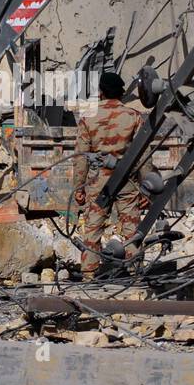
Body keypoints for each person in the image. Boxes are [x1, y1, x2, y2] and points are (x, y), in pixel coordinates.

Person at [72, 71, 146, 280]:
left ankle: (88, 274)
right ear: (121, 93)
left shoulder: (88, 117)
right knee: (131, 228)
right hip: (127, 180)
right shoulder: (133, 116)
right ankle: (135, 273)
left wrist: (78, 187)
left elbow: (81, 158)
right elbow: (142, 155)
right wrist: (146, 186)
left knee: (93, 227)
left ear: (101, 92)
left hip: (98, 182)